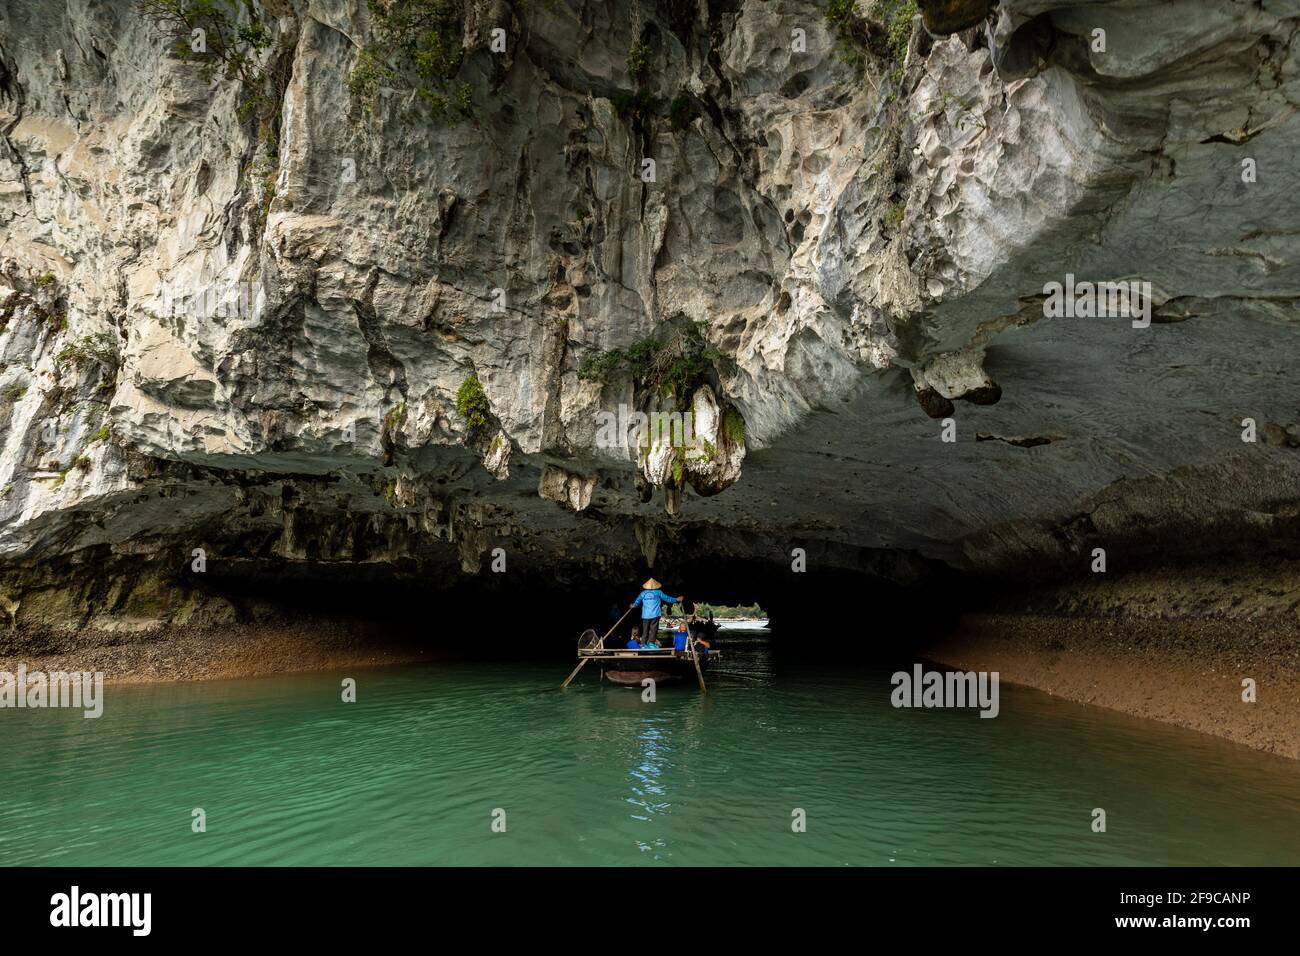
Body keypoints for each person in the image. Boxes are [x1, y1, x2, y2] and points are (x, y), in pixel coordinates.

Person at [631, 578, 683, 646]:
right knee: (653, 630)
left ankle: (643, 643)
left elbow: (637, 602)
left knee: (645, 630)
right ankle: (651, 643)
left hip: (646, 615)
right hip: (655, 615)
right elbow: (667, 598)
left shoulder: (642, 593)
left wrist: (633, 606)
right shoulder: (658, 592)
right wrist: (676, 599)